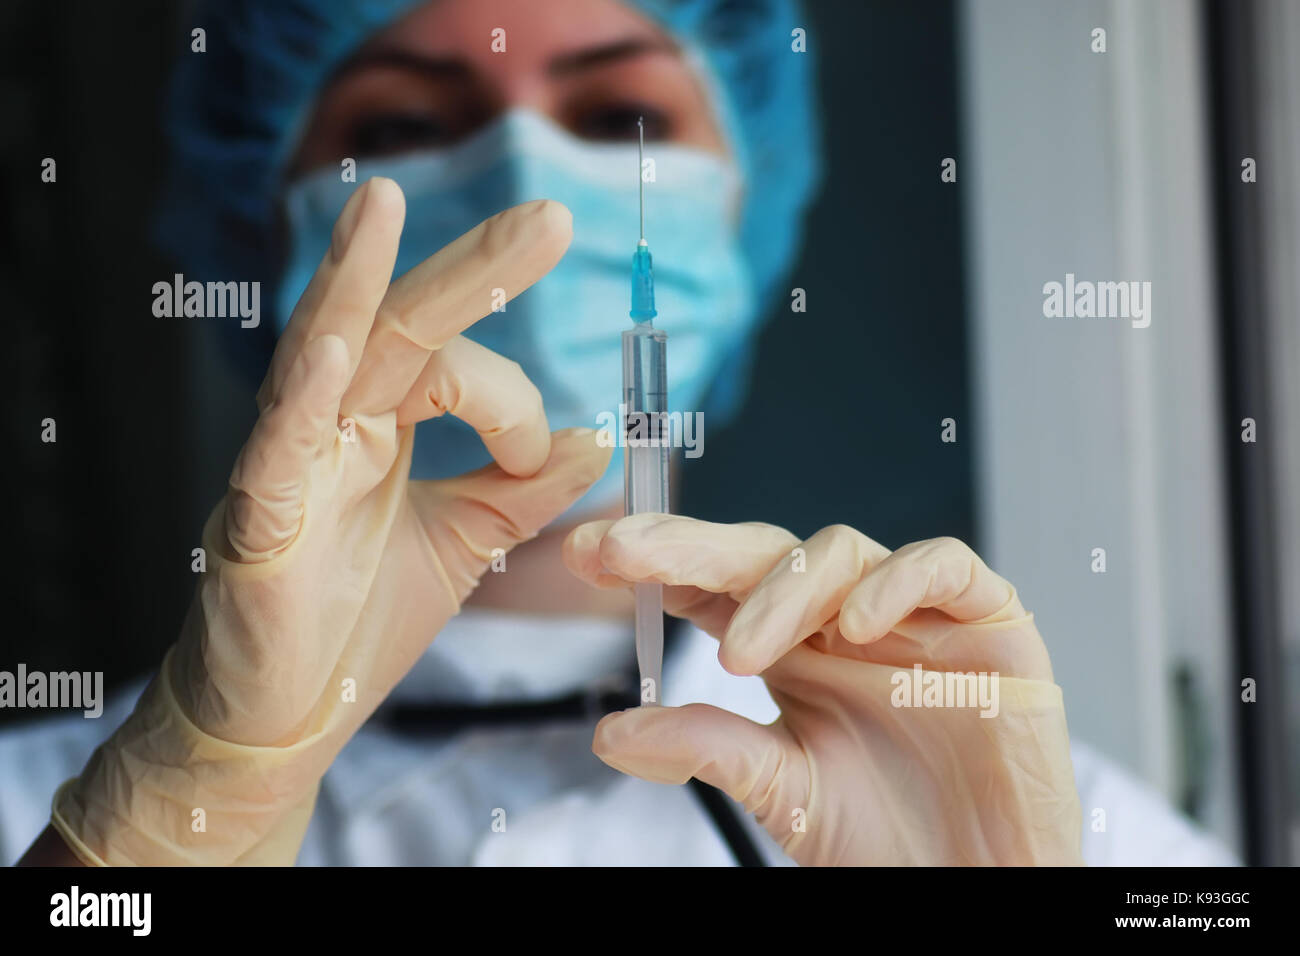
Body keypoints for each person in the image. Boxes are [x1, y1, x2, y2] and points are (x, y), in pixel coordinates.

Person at [7, 0, 1235, 866]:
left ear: (749, 201)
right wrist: (154, 853)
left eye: (619, 117)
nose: (527, 183)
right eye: (399, 128)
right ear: (262, 220)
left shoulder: (1019, 805)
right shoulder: (60, 808)